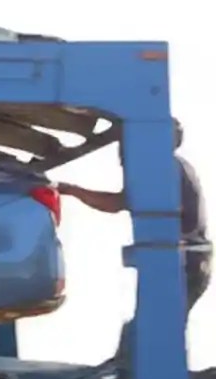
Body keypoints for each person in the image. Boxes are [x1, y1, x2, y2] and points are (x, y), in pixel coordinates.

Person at [58, 117, 210, 364]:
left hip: (183, 263)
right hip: (188, 261)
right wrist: (73, 190)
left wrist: (73, 190)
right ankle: (137, 378)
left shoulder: (162, 168)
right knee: (152, 333)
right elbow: (123, 201)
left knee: (152, 335)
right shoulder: (171, 166)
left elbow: (122, 203)